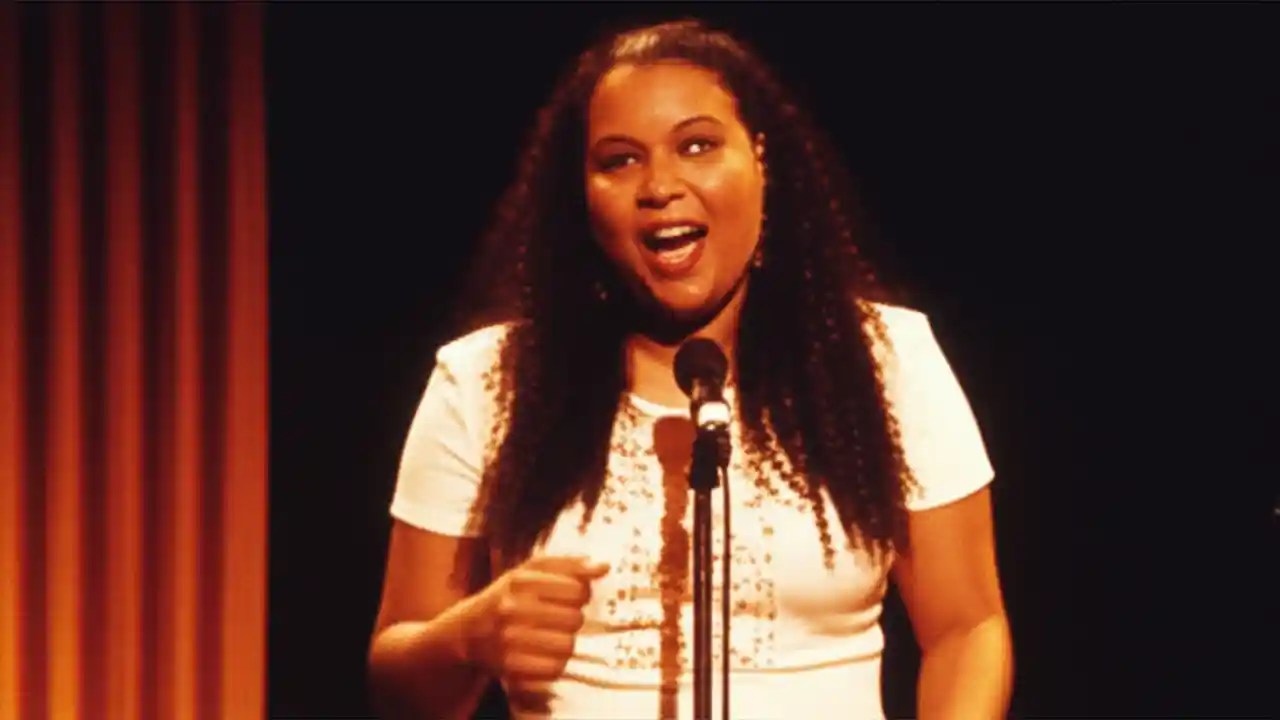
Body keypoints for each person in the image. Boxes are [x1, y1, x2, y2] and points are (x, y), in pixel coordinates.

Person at [368, 18, 1013, 720]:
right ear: (581, 196)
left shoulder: (883, 360)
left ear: (761, 159)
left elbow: (966, 628)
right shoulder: (485, 383)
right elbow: (398, 680)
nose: (659, 186)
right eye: (620, 160)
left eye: (698, 145)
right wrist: (470, 637)